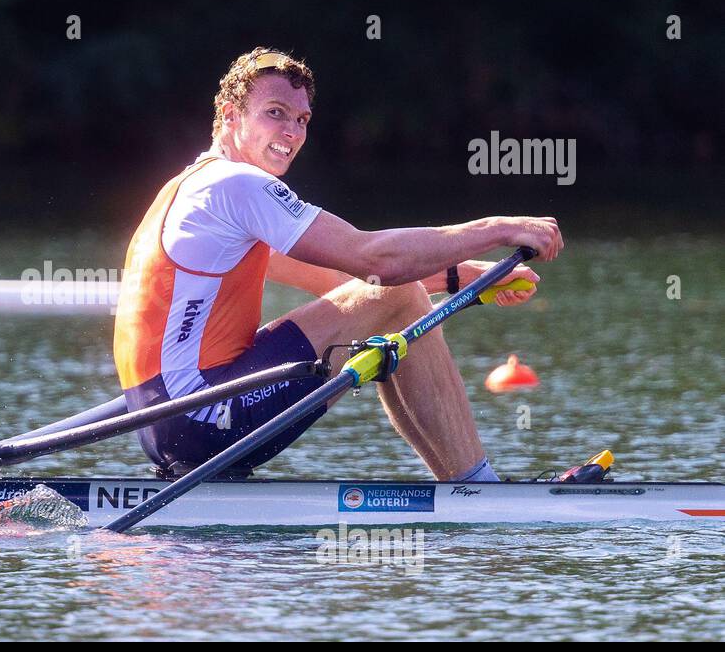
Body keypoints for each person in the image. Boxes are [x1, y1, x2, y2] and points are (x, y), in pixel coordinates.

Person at [113, 47, 563, 482]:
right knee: (400, 293)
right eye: (275, 113)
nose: (292, 132)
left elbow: (347, 281)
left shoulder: (193, 187)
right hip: (204, 416)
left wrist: (468, 276)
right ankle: (477, 487)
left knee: (400, 297)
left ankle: (467, 486)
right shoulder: (238, 186)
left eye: (302, 120)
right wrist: (498, 228)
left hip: (167, 426)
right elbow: (375, 262)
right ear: (230, 116)